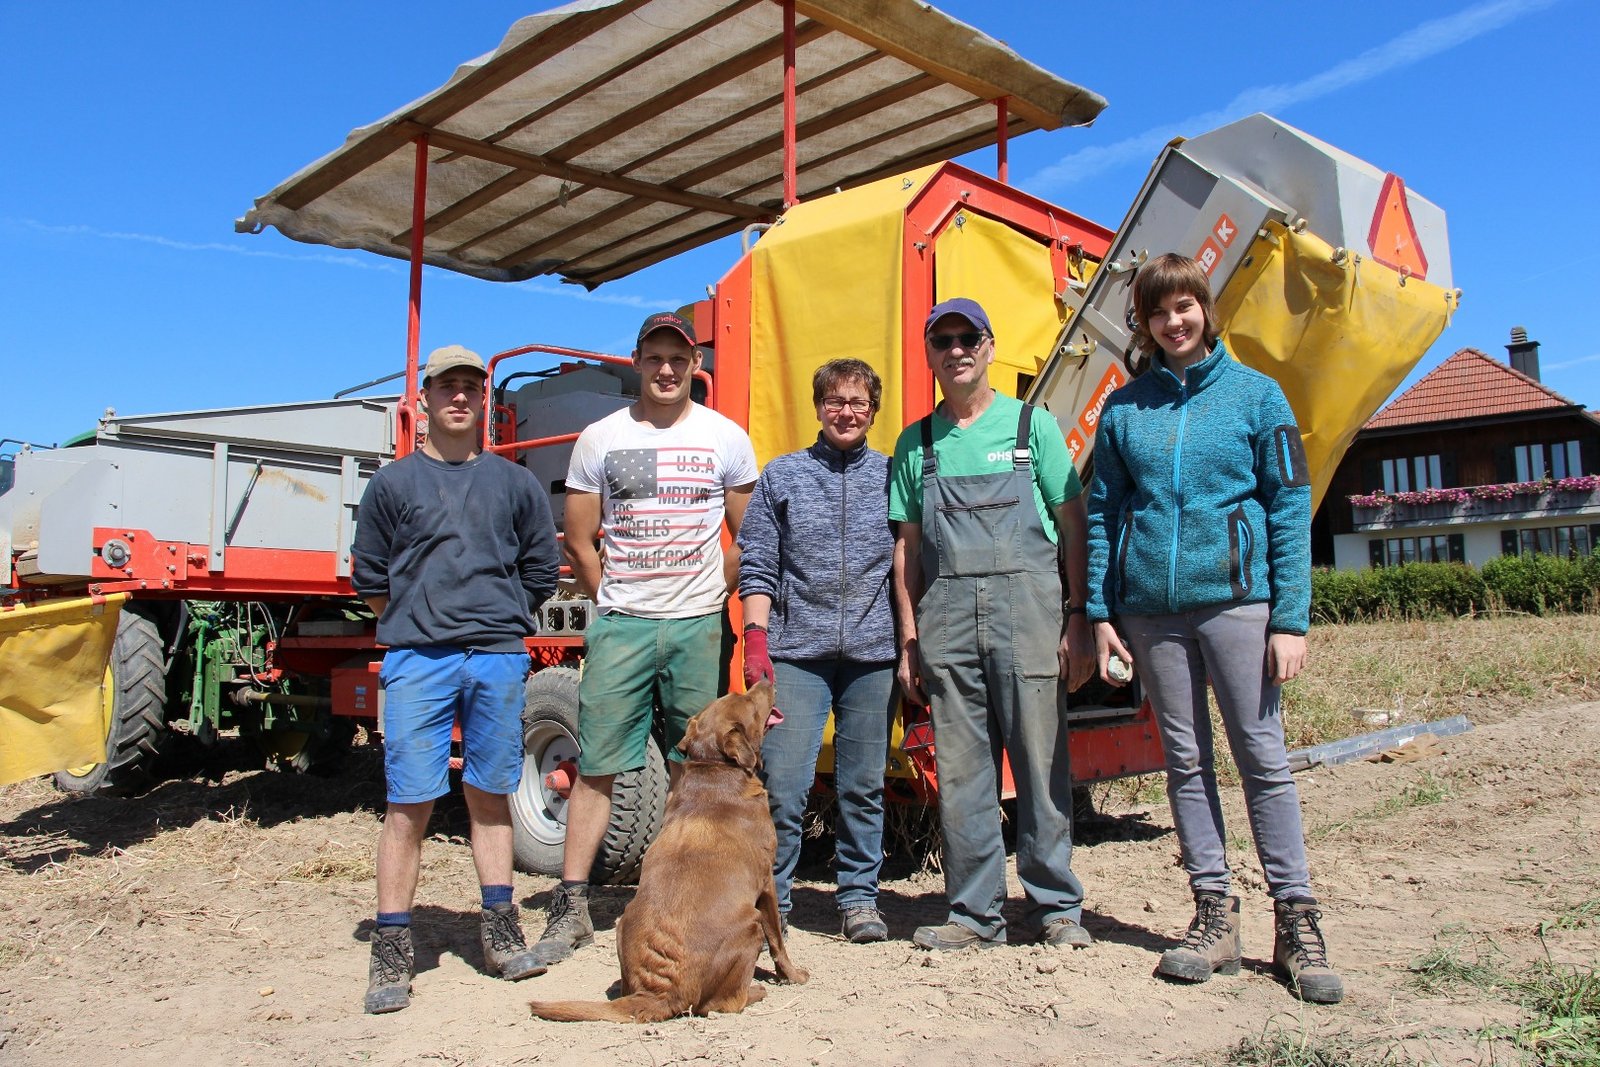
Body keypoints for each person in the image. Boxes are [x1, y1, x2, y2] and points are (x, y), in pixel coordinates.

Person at [1086, 253, 1344, 1004]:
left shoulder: (1259, 399)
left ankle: (1297, 921)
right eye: (1158, 311)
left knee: (1262, 758)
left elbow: (1292, 507)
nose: (1174, 321)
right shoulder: (1124, 410)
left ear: (1206, 308)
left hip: (1238, 603)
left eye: (1185, 306)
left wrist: (1289, 619)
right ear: (1144, 323)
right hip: (1151, 612)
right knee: (1186, 764)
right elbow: (1103, 514)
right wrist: (1103, 612)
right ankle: (1212, 917)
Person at [530, 311, 758, 967]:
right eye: (655, 357)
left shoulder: (725, 437)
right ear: (637, 361)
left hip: (697, 626)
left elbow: (749, 531)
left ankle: (687, 904)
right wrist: (612, 599)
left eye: (678, 358)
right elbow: (578, 537)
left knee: (696, 773)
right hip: (623, 626)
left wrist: (712, 587)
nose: (666, 369)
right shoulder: (600, 438)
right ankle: (571, 906)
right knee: (598, 766)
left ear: (694, 366)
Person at [351, 344, 561, 1014]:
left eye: (472, 386)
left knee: (491, 793)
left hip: (497, 656)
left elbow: (539, 565)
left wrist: (502, 623)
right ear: (425, 398)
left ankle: (500, 932)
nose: (460, 397)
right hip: (418, 656)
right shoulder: (393, 484)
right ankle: (391, 947)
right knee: (409, 802)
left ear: (485, 400)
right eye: (448, 386)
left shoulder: (514, 484)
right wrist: (416, 623)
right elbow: (370, 577)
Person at [889, 297, 1096, 952]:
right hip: (946, 618)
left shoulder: (1032, 425)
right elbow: (907, 552)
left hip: (1030, 614)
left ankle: (1056, 907)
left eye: (967, 337)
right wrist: (908, 638)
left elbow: (1072, 526)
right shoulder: (915, 443)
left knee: (1040, 763)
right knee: (963, 769)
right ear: (929, 353)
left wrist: (1078, 618)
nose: (956, 349)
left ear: (989, 344)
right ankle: (974, 914)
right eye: (942, 339)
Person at [737, 358, 897, 943]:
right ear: (819, 407)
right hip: (797, 653)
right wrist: (757, 639)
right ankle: (770, 904)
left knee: (863, 784)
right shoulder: (783, 476)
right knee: (783, 785)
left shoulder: (892, 474)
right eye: (835, 401)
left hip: (874, 655)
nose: (846, 412)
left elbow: (912, 562)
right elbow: (757, 560)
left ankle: (859, 900)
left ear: (873, 410)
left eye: (858, 403)